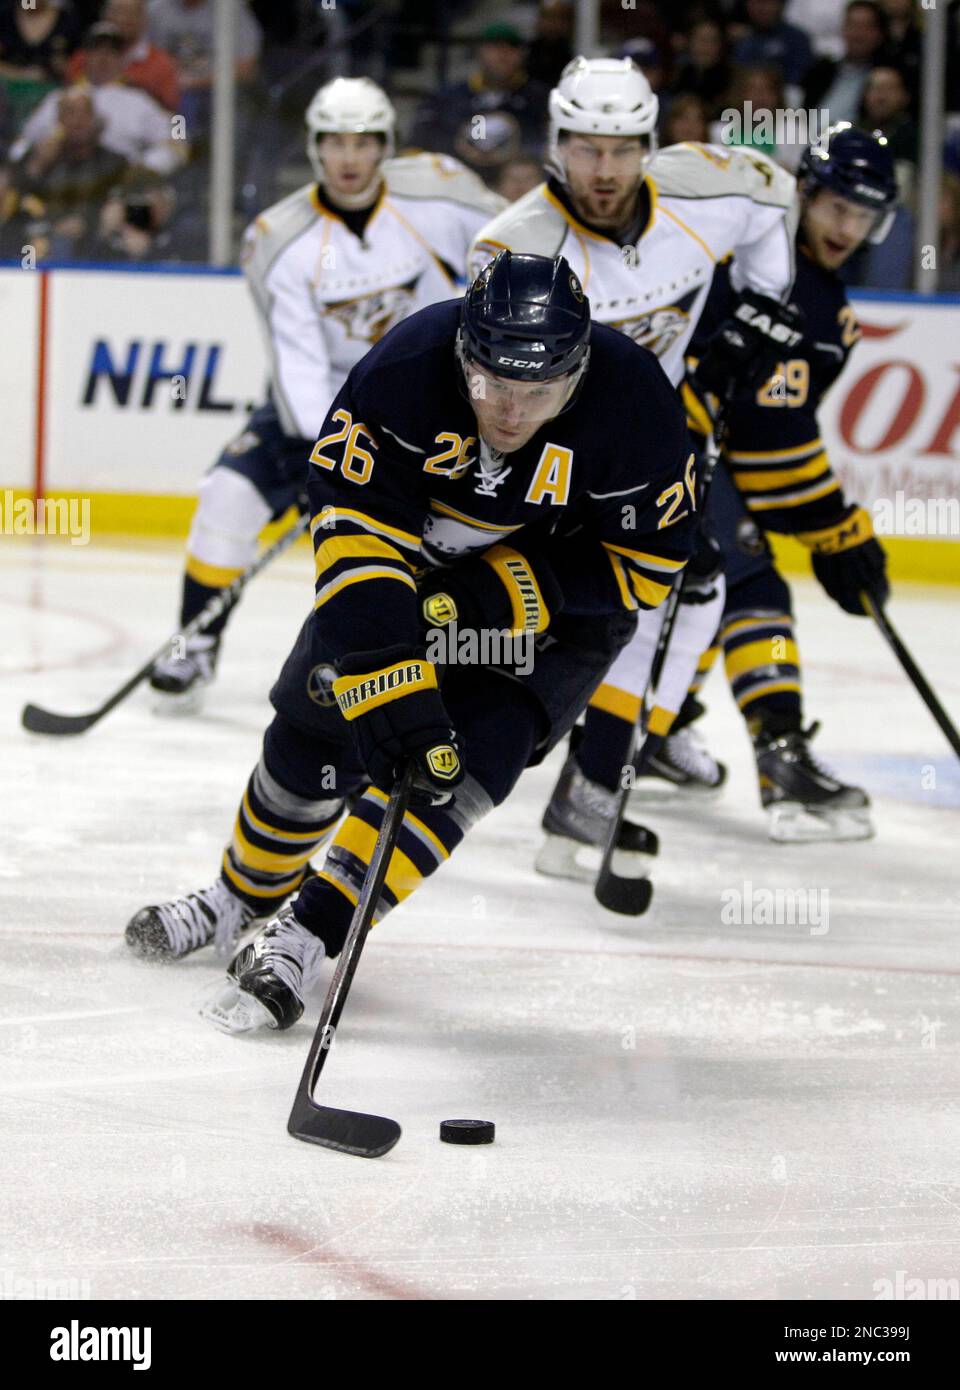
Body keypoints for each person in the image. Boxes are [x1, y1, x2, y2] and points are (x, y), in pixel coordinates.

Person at [124, 250, 698, 1038]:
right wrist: (383, 670)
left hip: (554, 622)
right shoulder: (406, 367)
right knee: (311, 741)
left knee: (450, 774)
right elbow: (353, 530)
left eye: (538, 392)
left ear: (578, 371)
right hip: (410, 574)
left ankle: (309, 934)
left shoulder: (636, 405)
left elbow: (646, 569)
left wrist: (492, 597)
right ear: (465, 354)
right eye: (493, 383)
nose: (510, 411)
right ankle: (239, 896)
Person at [467, 57, 799, 877]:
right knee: (542, 616)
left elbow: (775, 202)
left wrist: (760, 308)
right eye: (586, 148)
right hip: (541, 459)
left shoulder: (711, 188)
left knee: (693, 588)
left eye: (621, 148)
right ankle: (489, 757)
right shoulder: (513, 246)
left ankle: (598, 776)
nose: (604, 170)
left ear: (650, 144)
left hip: (645, 445)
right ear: (558, 145)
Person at [147, 77, 504, 708]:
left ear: (385, 145)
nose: (349, 158)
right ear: (314, 148)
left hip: (428, 411)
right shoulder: (279, 239)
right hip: (313, 415)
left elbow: (510, 253)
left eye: (363, 142)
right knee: (227, 493)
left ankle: (413, 659)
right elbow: (299, 364)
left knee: (433, 543)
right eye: (334, 142)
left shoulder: (442, 196)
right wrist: (329, 464)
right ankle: (196, 644)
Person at [683, 124, 898, 840]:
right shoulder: (781, 277)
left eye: (862, 215)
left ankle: (653, 735)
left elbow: (762, 438)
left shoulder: (825, 304)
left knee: (720, 580)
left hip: (687, 446)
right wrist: (838, 531)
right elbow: (772, 446)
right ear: (804, 194)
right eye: (837, 206)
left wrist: (832, 529)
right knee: (747, 582)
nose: (847, 227)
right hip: (663, 444)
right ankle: (776, 759)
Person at [8, 22, 186, 177]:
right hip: (61, 181)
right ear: (84, 57)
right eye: (96, 50)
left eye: (111, 52)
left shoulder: (139, 100)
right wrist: (28, 162)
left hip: (118, 180)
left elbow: (177, 136)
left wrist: (147, 167)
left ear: (121, 59)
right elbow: (22, 143)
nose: (102, 57)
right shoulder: (59, 98)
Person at [1, 86, 129, 260]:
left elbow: (119, 203)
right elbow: (15, 198)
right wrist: (37, 166)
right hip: (37, 235)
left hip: (91, 238)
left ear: (94, 120)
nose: (78, 121)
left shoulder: (113, 161)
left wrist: (89, 222)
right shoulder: (41, 157)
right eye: (70, 113)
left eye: (85, 114)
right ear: (59, 121)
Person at [409, 22, 549, 179]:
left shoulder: (540, 100)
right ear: (479, 52)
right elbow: (415, 148)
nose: (503, 55)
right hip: (457, 189)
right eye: (495, 48)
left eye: (511, 48)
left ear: (522, 55)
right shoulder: (447, 99)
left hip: (518, 194)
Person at [64, 0, 181, 112]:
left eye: (132, 13)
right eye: (117, 12)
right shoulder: (83, 58)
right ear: (105, 16)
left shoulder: (161, 63)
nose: (124, 19)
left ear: (144, 20)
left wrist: (140, 92)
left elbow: (171, 111)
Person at [804, 1, 890, 126]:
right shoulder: (821, 71)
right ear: (843, 30)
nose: (858, 34)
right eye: (852, 25)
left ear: (879, 33)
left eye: (866, 27)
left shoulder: (886, 77)